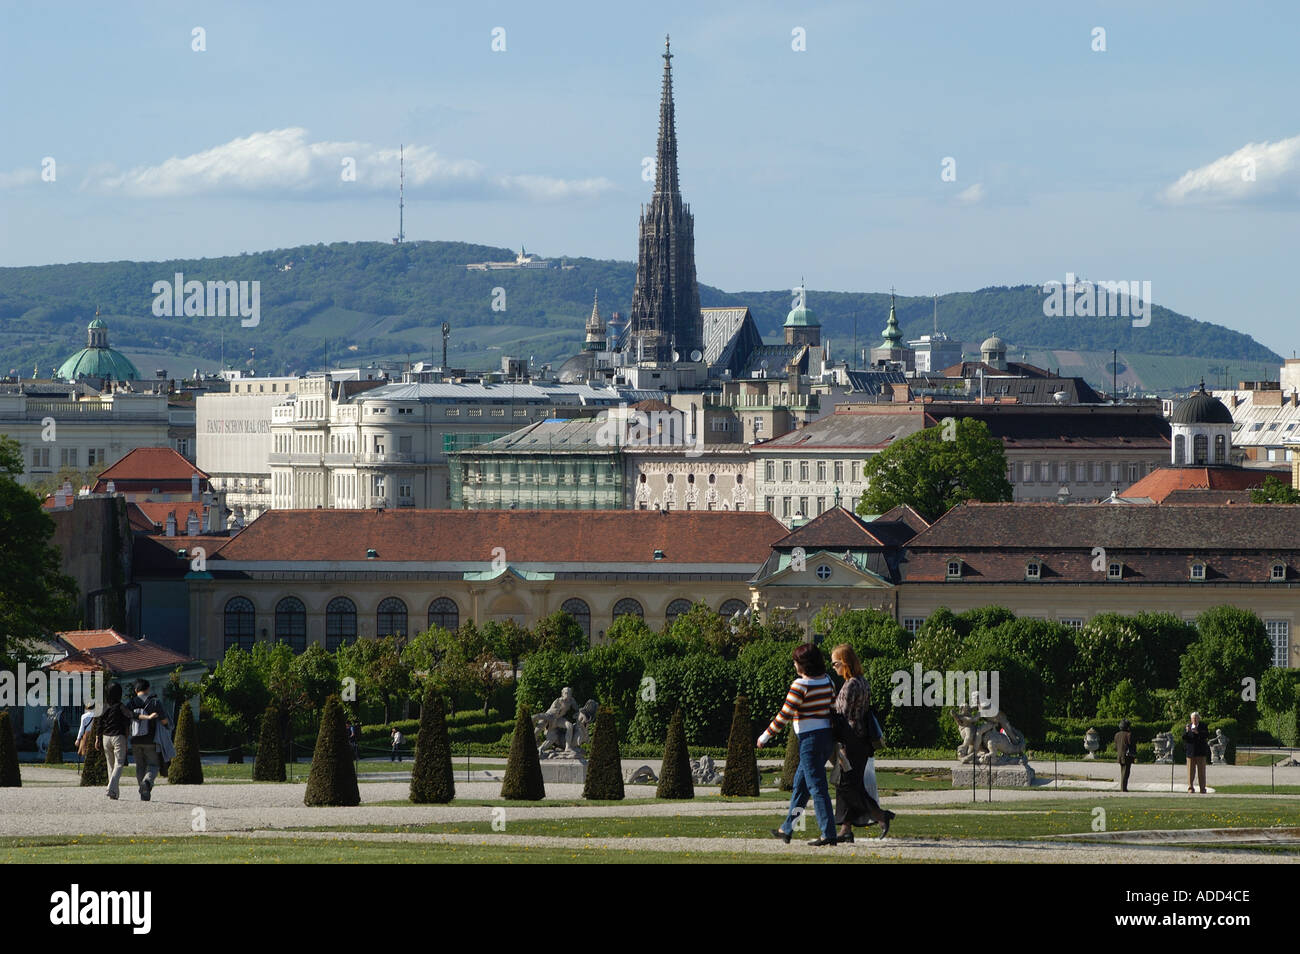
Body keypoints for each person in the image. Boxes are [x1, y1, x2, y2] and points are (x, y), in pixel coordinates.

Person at [757, 643, 838, 846]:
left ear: (804, 665)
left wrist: (765, 736)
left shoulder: (800, 685)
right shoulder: (828, 681)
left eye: (796, 662)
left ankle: (828, 833)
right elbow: (833, 707)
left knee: (817, 788)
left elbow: (784, 715)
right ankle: (787, 828)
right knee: (801, 787)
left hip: (809, 742)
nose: (794, 665)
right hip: (826, 737)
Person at [830, 644, 894, 840]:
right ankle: (845, 829)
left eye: (835, 663)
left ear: (845, 663)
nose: (833, 667)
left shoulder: (850, 685)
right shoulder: (862, 682)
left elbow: (843, 715)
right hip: (862, 740)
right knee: (847, 783)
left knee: (848, 785)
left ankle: (880, 815)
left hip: (852, 741)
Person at [129, 679, 168, 801]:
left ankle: (143, 791)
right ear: (148, 689)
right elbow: (164, 721)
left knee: (140, 765)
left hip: (135, 740)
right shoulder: (154, 703)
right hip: (151, 740)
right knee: (153, 765)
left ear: (136, 690)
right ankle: (147, 781)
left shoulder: (130, 704)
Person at [95, 683, 135, 800]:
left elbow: (100, 723)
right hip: (118, 736)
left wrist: (97, 738)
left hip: (106, 737)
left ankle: (114, 793)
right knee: (119, 763)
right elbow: (127, 723)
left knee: (110, 765)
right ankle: (110, 787)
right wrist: (126, 739)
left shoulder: (105, 707)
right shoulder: (122, 707)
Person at [1183, 711, 1210, 793]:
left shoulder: (1203, 726)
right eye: (1193, 718)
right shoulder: (1188, 726)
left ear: (1199, 718)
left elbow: (1206, 735)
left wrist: (1197, 732)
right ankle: (1190, 788)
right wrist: (1187, 731)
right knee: (1190, 772)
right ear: (1191, 719)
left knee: (1201, 772)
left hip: (1200, 753)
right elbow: (1184, 737)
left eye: (1196, 718)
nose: (1194, 719)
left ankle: (1202, 788)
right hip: (1191, 753)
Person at [1114, 719, 1136, 792]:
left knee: (1123, 772)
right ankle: (1123, 788)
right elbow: (1131, 745)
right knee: (1126, 773)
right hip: (1127, 756)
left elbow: (1116, 746)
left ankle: (1123, 787)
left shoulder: (1117, 735)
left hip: (1120, 755)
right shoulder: (1128, 734)